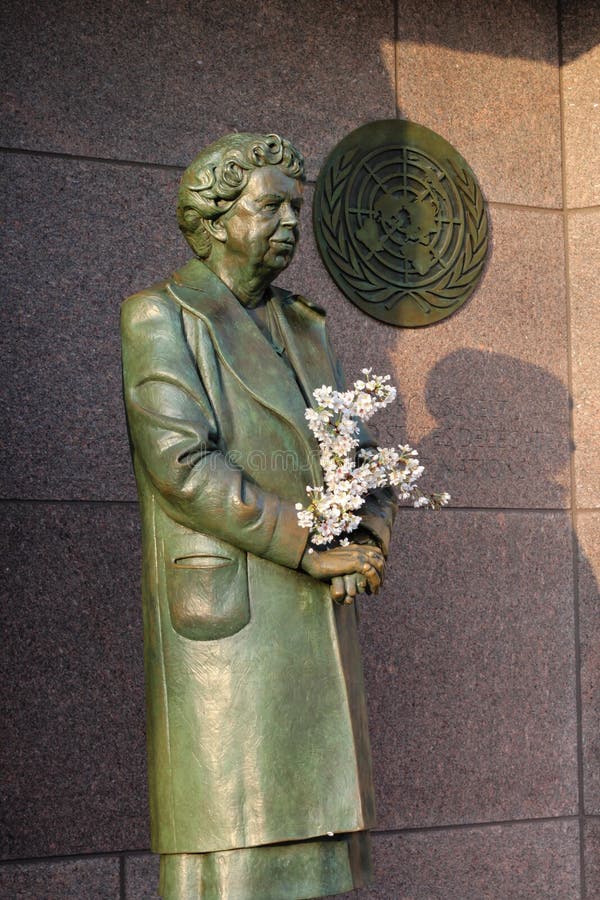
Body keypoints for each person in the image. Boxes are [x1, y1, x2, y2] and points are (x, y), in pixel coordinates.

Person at [121, 133, 396, 900]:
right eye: (268, 205)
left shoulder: (308, 328)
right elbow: (180, 464)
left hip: (316, 606)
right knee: (238, 850)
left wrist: (366, 533)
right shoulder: (161, 318)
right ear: (212, 219)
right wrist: (309, 542)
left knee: (314, 851)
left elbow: (362, 452)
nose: (288, 222)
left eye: (295, 209)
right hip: (236, 621)